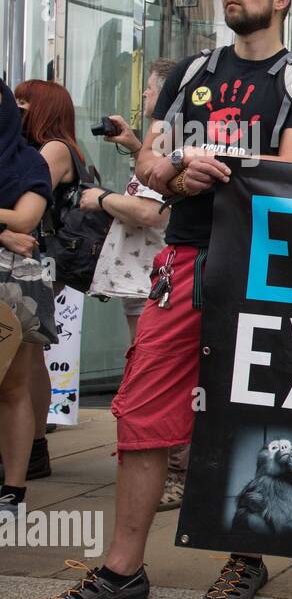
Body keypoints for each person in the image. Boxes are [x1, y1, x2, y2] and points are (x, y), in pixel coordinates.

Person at [21, 0, 292, 599]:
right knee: (143, 408)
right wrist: (175, 173)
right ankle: (121, 571)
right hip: (185, 258)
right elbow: (153, 159)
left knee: (248, 411)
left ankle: (243, 556)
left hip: (260, 267)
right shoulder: (193, 74)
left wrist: (212, 165)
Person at [87, 58, 191, 511]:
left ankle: (176, 475)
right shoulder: (158, 144)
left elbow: (153, 211)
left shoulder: (175, 142)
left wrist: (102, 199)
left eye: (150, 91)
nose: (145, 99)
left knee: (157, 382)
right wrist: (133, 146)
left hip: (160, 282)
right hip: (147, 281)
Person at [9, 79, 88, 481]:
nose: (18, 108)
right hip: (34, 256)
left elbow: (31, 201)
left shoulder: (53, 150)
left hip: (35, 257)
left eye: (25, 101)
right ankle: (33, 445)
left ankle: (34, 444)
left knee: (27, 354)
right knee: (31, 353)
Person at [0, 79, 56, 518]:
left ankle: (13, 489)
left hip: (13, 284)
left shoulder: (27, 162)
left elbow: (26, 218)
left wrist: (9, 229)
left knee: (13, 387)